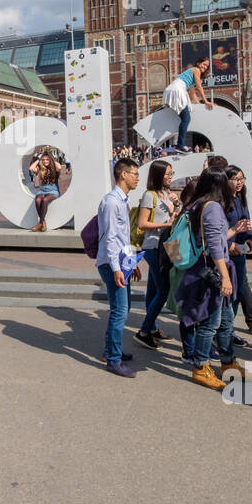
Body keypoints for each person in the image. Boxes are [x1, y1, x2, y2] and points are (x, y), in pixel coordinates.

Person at [173, 168, 247, 389]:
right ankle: (201, 367)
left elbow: (211, 239)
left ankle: (228, 363)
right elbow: (214, 245)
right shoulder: (213, 207)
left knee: (225, 321)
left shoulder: (197, 204)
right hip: (213, 273)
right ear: (221, 184)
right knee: (210, 323)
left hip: (204, 269)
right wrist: (225, 277)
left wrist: (232, 231)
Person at [97, 157, 142, 376]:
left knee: (122, 309)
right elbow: (110, 239)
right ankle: (113, 359)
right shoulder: (112, 202)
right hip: (110, 263)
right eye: (135, 174)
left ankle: (110, 351)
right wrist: (117, 268)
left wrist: (131, 262)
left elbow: (124, 237)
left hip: (121, 262)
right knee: (120, 312)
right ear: (123, 174)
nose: (137, 178)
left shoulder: (122, 201)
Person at [134, 160, 180, 349]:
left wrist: (176, 206)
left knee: (153, 289)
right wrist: (166, 224)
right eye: (167, 174)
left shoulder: (167, 194)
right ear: (158, 176)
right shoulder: (149, 196)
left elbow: (171, 219)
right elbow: (142, 224)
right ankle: (144, 331)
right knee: (163, 290)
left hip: (168, 245)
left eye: (171, 174)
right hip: (154, 247)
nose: (170, 177)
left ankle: (152, 328)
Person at [224, 165, 252, 335]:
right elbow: (214, 232)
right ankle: (223, 332)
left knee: (238, 292)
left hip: (239, 254)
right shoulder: (220, 202)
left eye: (241, 178)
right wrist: (229, 245)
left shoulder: (240, 199)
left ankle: (228, 331)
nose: (239, 182)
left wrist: (249, 239)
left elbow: (246, 223)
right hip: (225, 255)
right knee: (228, 295)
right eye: (235, 179)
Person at [162, 58, 214, 153]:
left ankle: (179, 144)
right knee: (186, 119)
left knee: (183, 117)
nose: (205, 67)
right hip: (178, 90)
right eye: (204, 64)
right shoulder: (196, 70)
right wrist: (206, 101)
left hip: (173, 89)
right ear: (198, 63)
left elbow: (192, 93)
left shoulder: (190, 74)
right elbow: (199, 87)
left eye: (207, 66)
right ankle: (180, 145)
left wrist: (199, 104)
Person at [27, 151, 63, 232]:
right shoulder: (41, 169)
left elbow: (59, 167)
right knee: (38, 199)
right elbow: (31, 168)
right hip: (42, 191)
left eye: (47, 159)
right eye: (43, 160)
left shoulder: (54, 169)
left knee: (45, 200)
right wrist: (38, 159)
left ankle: (40, 223)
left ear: (50, 160)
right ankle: (43, 222)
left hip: (53, 191)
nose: (45, 161)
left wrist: (52, 159)